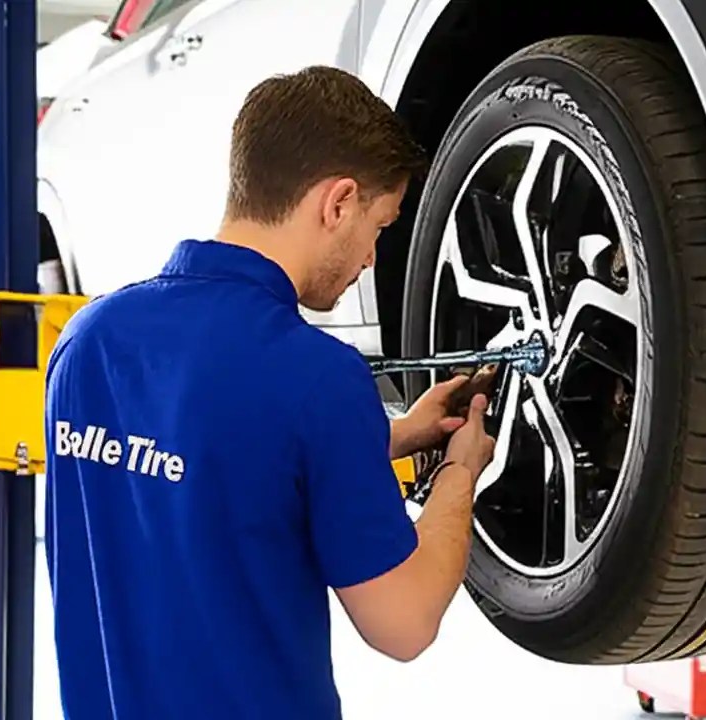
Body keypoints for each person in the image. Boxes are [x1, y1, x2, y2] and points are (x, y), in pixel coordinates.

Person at [42, 65, 497, 720]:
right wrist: (459, 472)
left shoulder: (88, 341)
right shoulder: (315, 375)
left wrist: (395, 435)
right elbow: (405, 622)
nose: (371, 258)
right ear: (337, 202)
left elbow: (210, 463)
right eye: (380, 226)